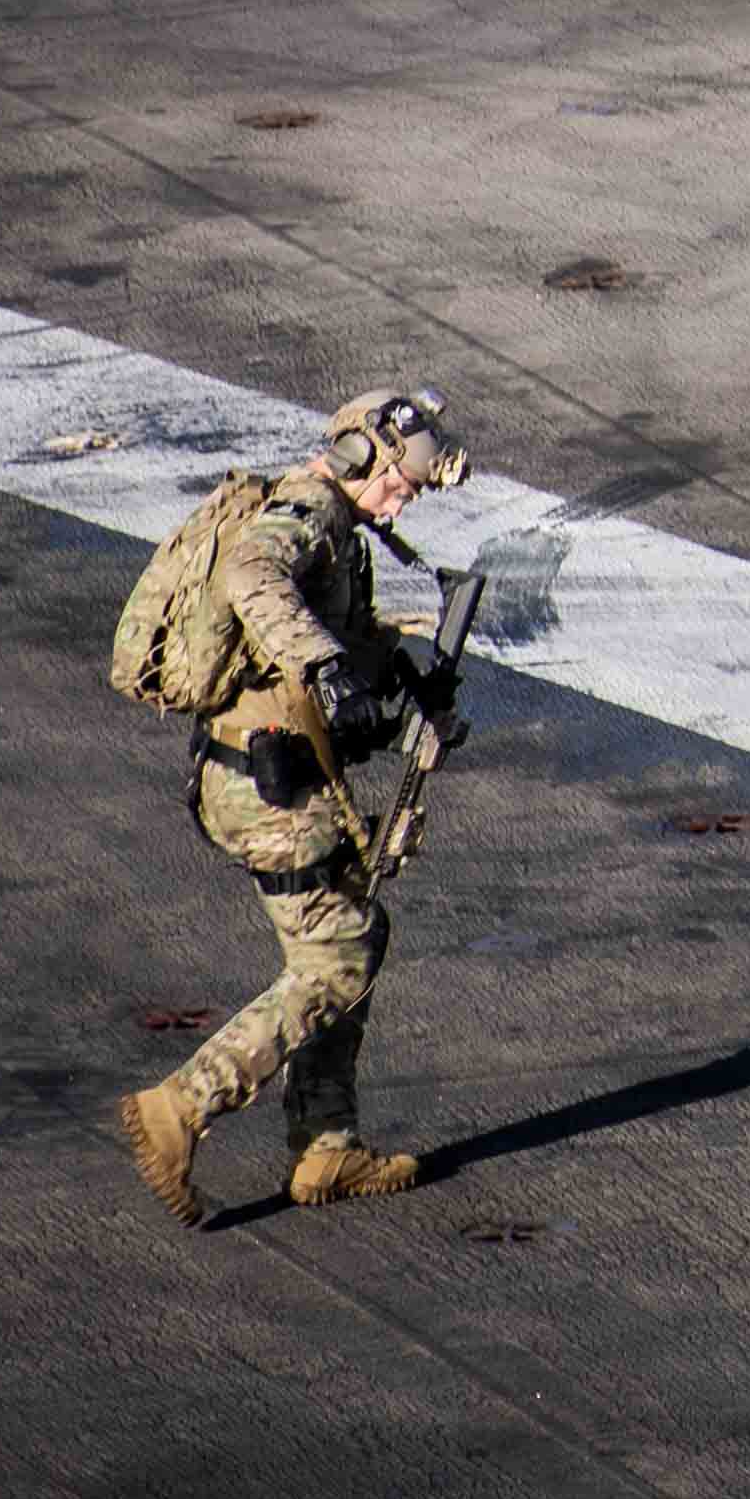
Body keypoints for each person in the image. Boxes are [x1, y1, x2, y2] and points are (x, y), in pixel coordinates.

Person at [114, 385, 469, 1226]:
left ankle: (327, 1143)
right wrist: (323, 665)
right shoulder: (307, 511)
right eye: (401, 478)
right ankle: (178, 1108)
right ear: (358, 457)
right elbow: (251, 573)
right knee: (337, 960)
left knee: (357, 931)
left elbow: (339, 627)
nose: (405, 493)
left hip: (281, 774)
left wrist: (397, 670)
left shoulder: (342, 533)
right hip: (265, 784)